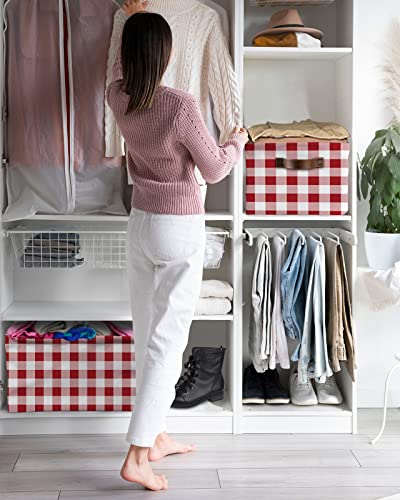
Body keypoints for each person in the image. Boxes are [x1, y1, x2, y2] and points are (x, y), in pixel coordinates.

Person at [107, 0, 248, 491]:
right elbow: (213, 168)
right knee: (169, 342)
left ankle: (158, 433)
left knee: (149, 331)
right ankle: (137, 455)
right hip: (178, 224)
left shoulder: (116, 96)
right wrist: (238, 141)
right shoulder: (181, 105)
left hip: (141, 220)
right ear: (165, 55)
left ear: (127, 55)